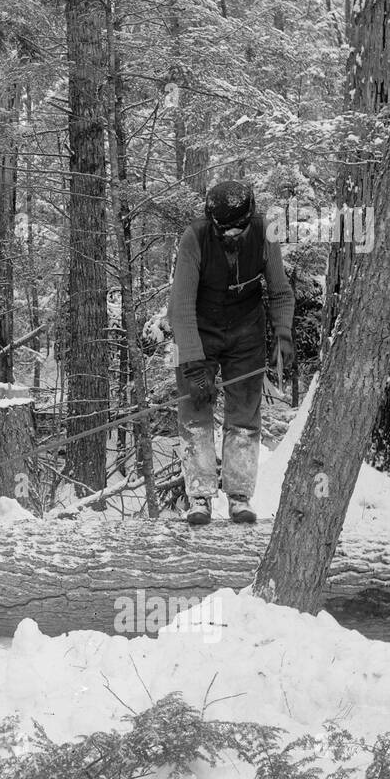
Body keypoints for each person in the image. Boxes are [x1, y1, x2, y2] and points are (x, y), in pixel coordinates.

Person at [167, 180, 295, 525]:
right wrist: (193, 364)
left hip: (246, 332)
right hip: (199, 330)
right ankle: (199, 496)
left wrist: (282, 334)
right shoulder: (195, 238)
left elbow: (281, 292)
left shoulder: (265, 231)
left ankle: (239, 496)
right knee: (195, 411)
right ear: (213, 222)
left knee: (244, 414)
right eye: (225, 229)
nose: (233, 234)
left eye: (240, 226)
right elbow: (179, 307)